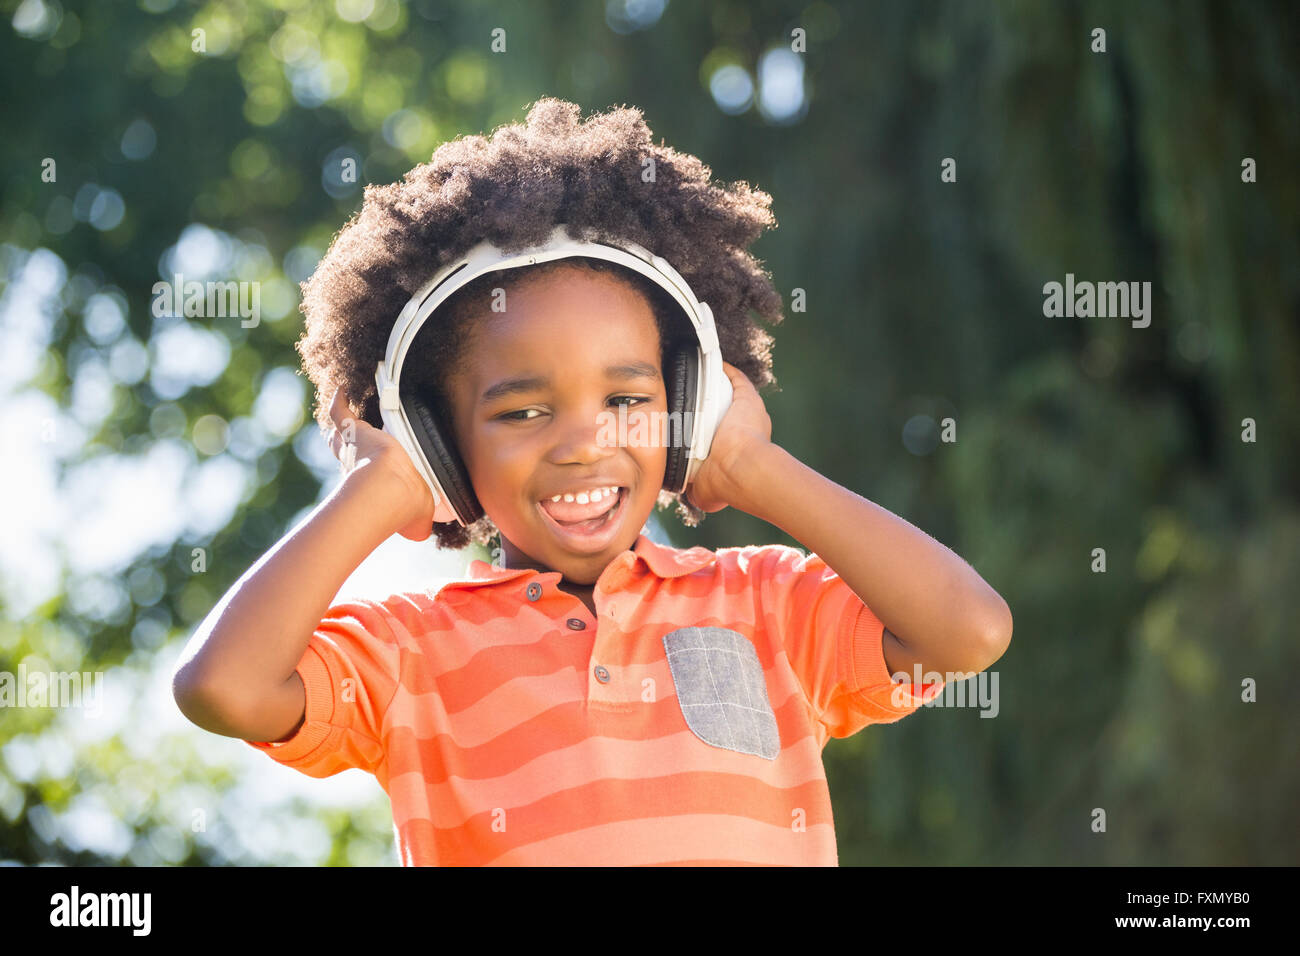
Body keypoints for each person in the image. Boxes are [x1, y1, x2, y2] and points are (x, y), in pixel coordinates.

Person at [171, 98, 1012, 865]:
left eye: (626, 398)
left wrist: (753, 467)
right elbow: (224, 688)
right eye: (523, 412)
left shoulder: (765, 606)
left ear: (685, 405)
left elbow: (967, 633)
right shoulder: (412, 656)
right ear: (437, 444)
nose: (584, 443)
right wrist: (378, 493)